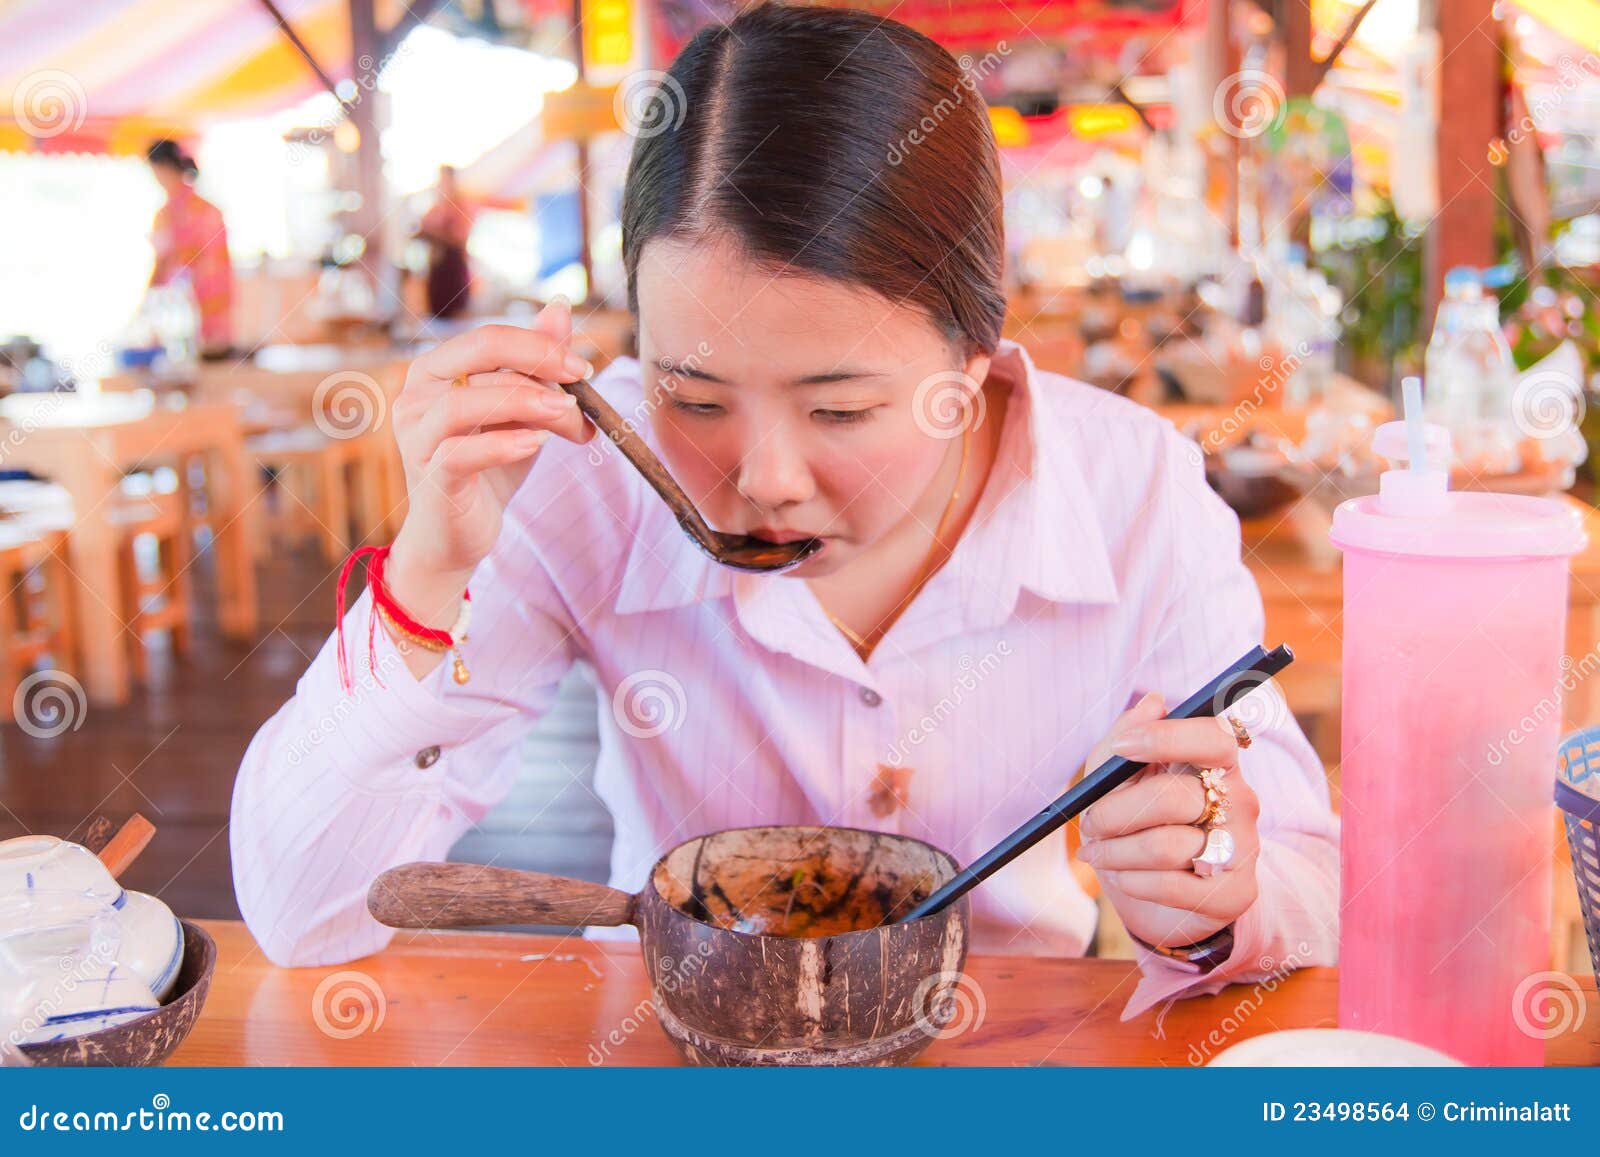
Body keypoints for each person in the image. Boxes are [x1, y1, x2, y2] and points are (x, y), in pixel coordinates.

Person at [232, 3, 1337, 1021]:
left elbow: (1311, 878)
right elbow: (311, 913)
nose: (762, 477)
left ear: (975, 344)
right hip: (673, 1045)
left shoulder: (1130, 488)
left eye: (841, 406)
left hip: (1000, 1044)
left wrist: (1212, 895)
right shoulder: (579, 469)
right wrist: (425, 580)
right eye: (693, 395)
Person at [146, 139, 234, 359]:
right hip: (217, 311)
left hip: (185, 311)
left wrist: (149, 297)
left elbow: (163, 262)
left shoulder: (168, 214)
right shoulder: (209, 209)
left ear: (163, 169)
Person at [416, 165, 475, 319]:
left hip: (454, 269)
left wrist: (436, 233)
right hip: (437, 269)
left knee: (455, 317)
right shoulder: (436, 207)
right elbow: (422, 228)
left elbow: (460, 237)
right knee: (437, 315)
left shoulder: (461, 205)